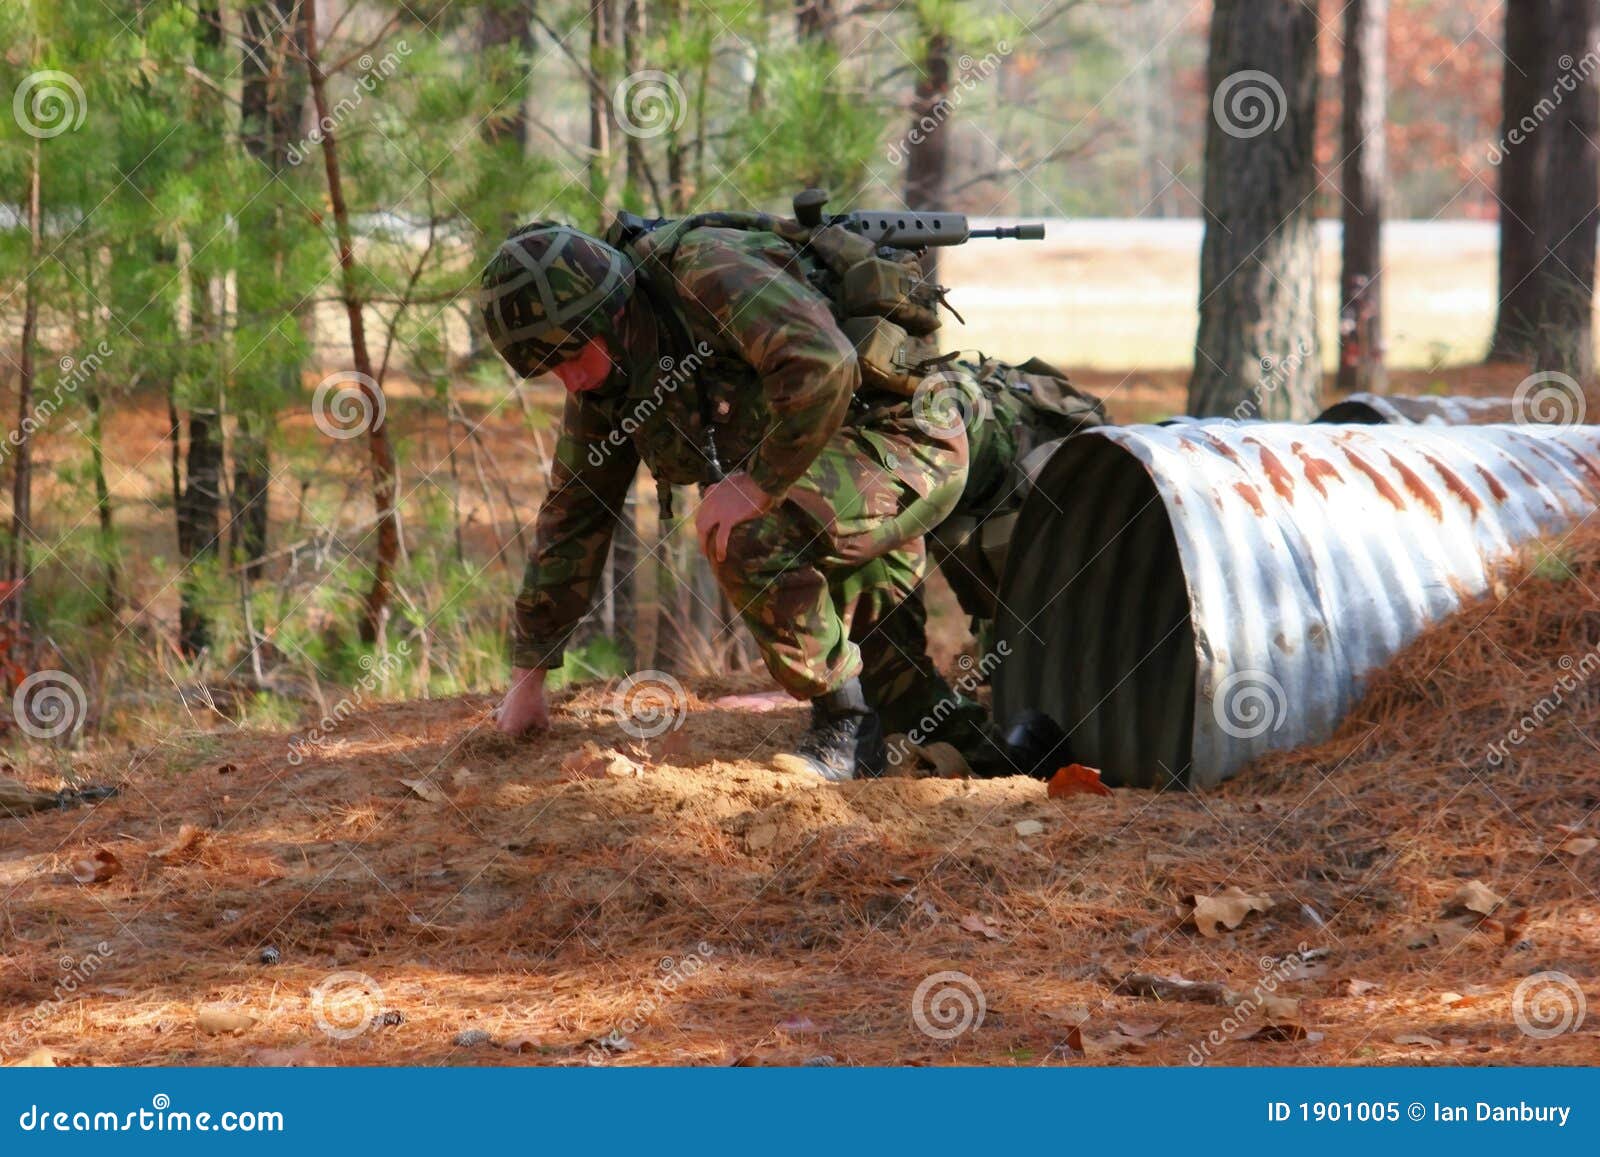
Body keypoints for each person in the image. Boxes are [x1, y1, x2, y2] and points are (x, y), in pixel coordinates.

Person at [479, 211, 1092, 779]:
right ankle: (1015, 758)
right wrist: (529, 676)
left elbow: (824, 365)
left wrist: (759, 484)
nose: (571, 380)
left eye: (572, 355)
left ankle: (844, 728)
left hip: (907, 435)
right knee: (903, 701)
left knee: (743, 528)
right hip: (833, 473)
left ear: (612, 313)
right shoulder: (607, 378)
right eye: (549, 369)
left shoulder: (707, 274)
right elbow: (574, 513)